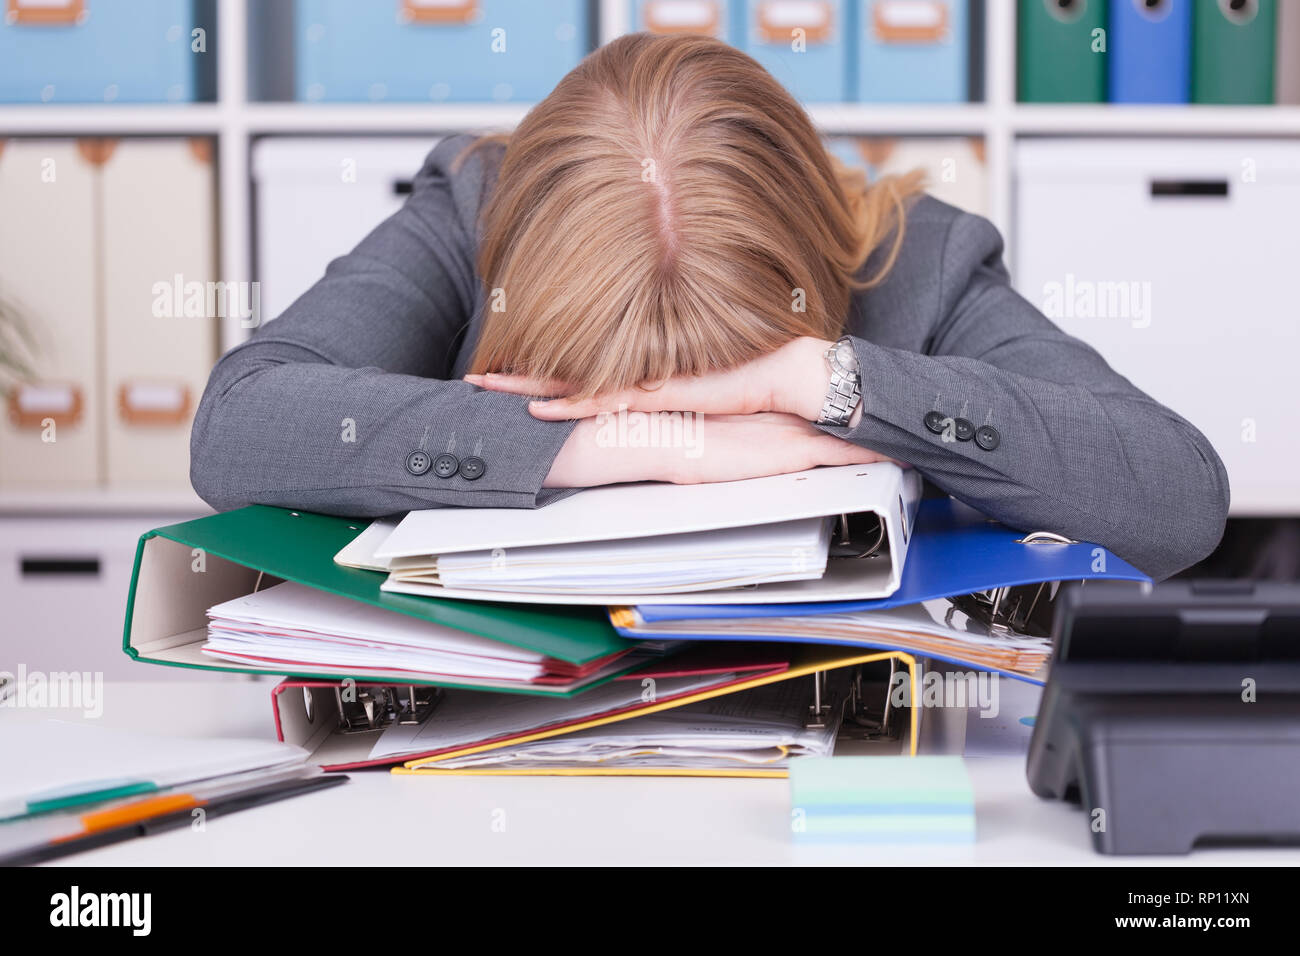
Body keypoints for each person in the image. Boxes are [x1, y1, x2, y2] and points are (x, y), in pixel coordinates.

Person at [190, 33, 1228, 580]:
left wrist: (819, 382)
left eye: (722, 392)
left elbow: (1177, 496)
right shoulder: (470, 215)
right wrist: (614, 442)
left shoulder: (919, 266)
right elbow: (238, 423)